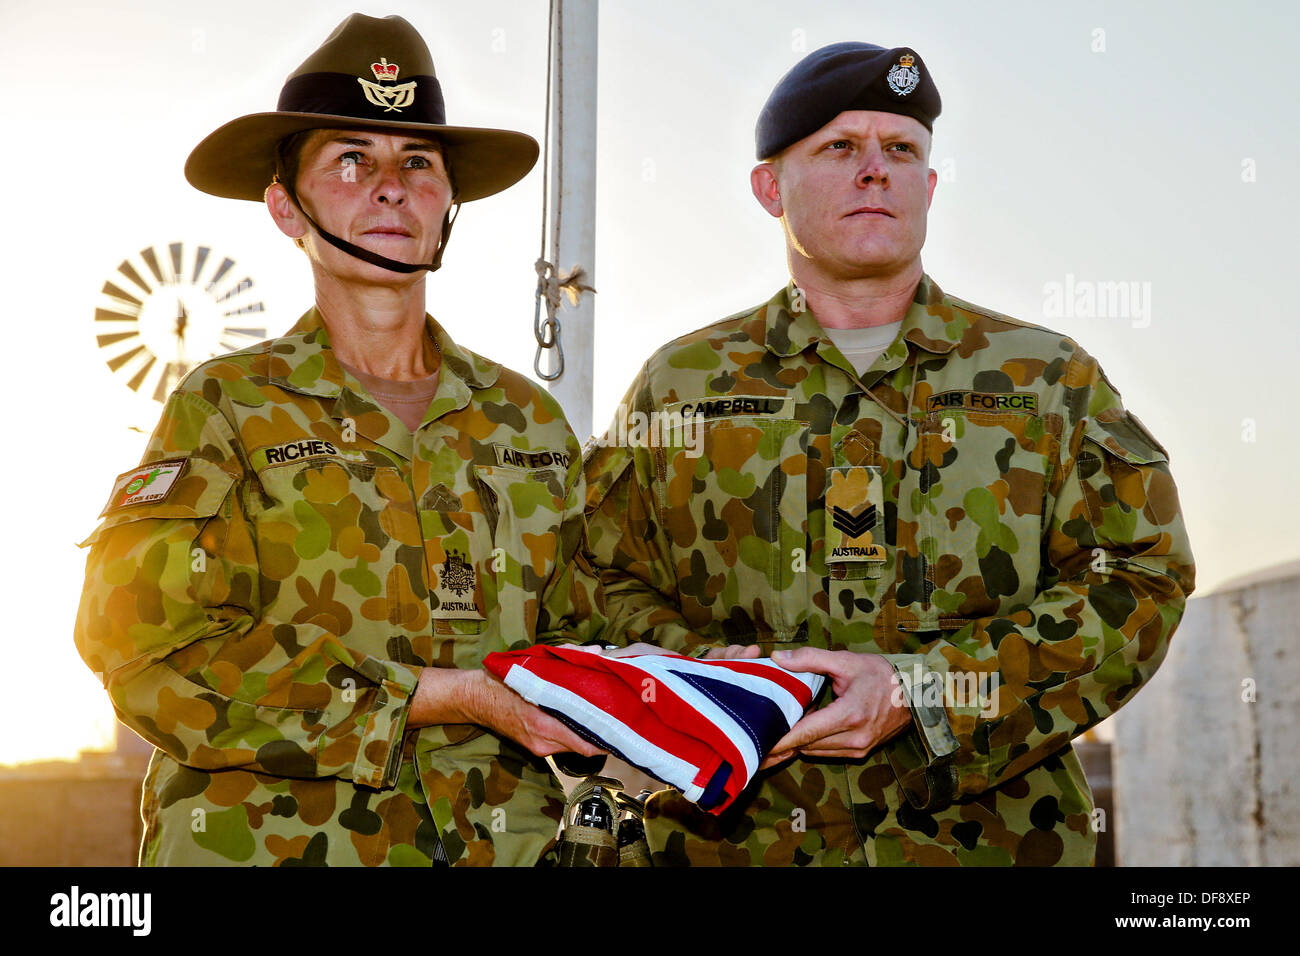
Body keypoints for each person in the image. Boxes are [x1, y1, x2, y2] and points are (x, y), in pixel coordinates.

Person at [583, 41, 1195, 866]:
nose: (876, 170)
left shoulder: (1044, 377)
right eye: (840, 147)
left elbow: (1140, 574)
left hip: (991, 840)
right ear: (770, 187)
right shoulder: (682, 384)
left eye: (901, 150)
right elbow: (592, 574)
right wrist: (717, 677)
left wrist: (926, 691)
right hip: (734, 841)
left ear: (929, 186)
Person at [74, 13, 606, 867]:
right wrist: (431, 696)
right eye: (352, 160)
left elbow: (588, 629)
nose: (390, 186)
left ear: (448, 206)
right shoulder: (226, 406)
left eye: (418, 163)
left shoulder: (526, 419)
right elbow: (139, 640)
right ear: (287, 207)